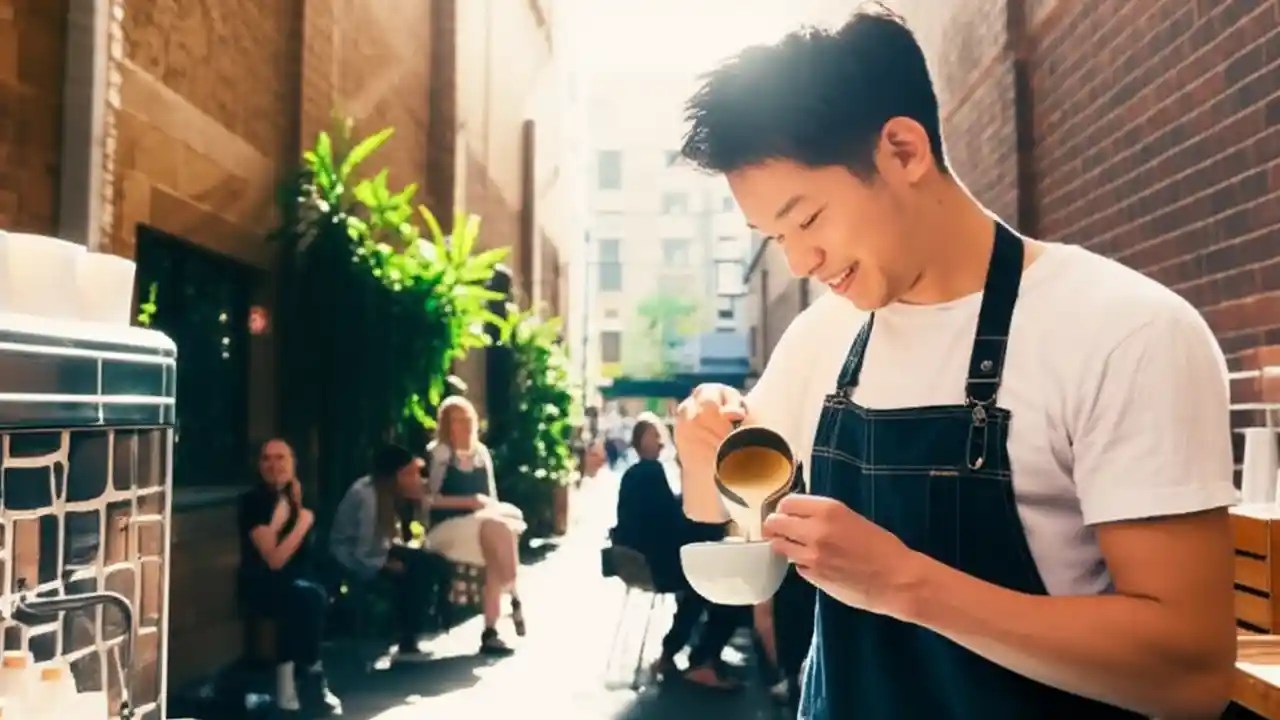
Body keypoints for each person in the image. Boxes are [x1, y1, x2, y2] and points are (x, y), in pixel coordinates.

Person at [673, 8, 1235, 720]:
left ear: (903, 150)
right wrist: (701, 449)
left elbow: (1189, 673)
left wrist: (906, 583)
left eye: (808, 219)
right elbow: (719, 513)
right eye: (774, 236)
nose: (800, 261)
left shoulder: (1126, 331)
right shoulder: (824, 337)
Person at [612, 414, 747, 690]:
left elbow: (664, 516)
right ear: (640, 440)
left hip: (641, 560)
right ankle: (703, 661)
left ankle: (674, 654)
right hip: (654, 562)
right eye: (653, 433)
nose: (660, 438)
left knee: (701, 588)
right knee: (725, 592)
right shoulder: (649, 472)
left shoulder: (640, 472)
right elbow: (670, 520)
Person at [237, 438, 342, 716]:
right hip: (262, 581)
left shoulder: (306, 498)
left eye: (281, 457)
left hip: (300, 580)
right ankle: (305, 679)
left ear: (294, 462)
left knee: (310, 593)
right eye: (267, 458)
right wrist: (291, 523)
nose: (274, 465)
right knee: (302, 596)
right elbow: (274, 559)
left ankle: (299, 680)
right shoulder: (252, 501)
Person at [423, 396, 527, 655]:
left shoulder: (481, 454)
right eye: (456, 420)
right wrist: (468, 501)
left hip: (481, 525)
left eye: (467, 419)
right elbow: (428, 501)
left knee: (501, 529)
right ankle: (513, 592)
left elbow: (491, 498)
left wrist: (485, 505)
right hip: (447, 528)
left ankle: (490, 631)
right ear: (446, 424)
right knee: (496, 528)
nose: (464, 425)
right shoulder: (439, 454)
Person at [329, 444, 436, 656]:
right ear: (395, 475)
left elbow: (385, 539)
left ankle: (414, 628)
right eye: (409, 473)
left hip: (375, 550)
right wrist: (386, 564)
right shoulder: (368, 496)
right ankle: (406, 633)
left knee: (427, 561)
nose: (416, 478)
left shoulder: (389, 493)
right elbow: (362, 551)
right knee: (411, 571)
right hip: (350, 557)